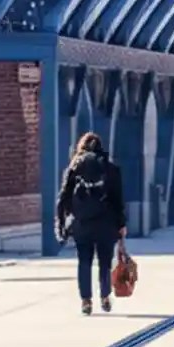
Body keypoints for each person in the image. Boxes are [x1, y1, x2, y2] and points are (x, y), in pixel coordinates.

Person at [55, 131, 126, 316]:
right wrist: (121, 224)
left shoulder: (74, 166)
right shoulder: (110, 168)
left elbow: (63, 197)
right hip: (106, 223)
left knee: (84, 261)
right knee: (104, 262)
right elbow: (118, 200)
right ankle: (104, 296)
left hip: (82, 223)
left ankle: (86, 300)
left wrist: (61, 222)